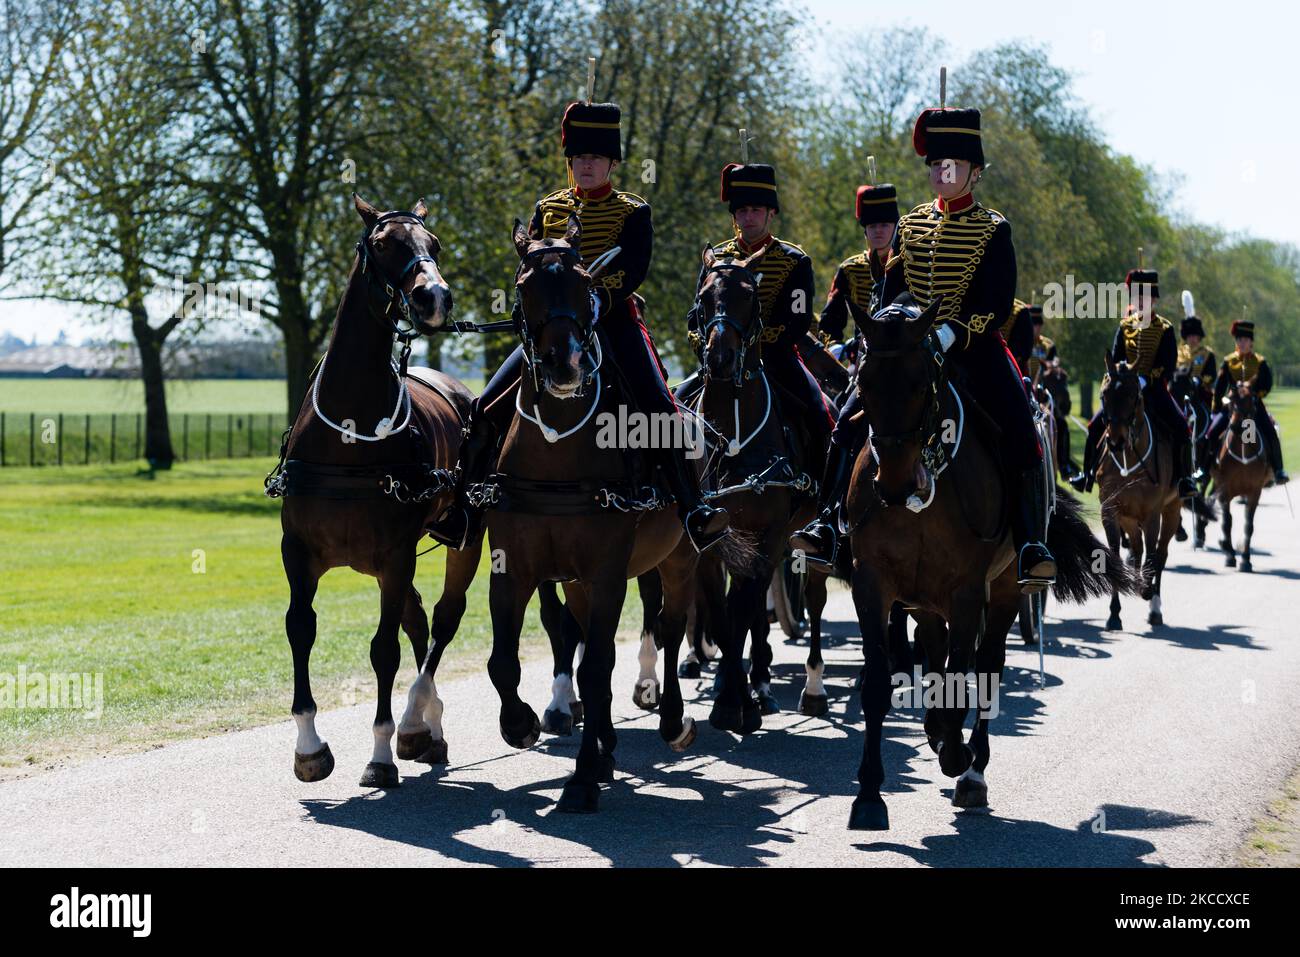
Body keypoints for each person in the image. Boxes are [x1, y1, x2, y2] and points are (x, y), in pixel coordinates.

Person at [426, 101, 729, 551]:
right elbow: (526, 265)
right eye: (580, 158)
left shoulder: (632, 211)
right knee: (485, 407)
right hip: (551, 329)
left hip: (614, 320)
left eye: (596, 158)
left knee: (660, 409)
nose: (587, 165)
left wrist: (594, 299)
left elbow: (633, 268)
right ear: (571, 162)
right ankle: (465, 509)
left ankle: (691, 507)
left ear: (611, 163)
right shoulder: (547, 207)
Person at [861, 106, 1055, 590]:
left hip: (974, 351)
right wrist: (892, 330)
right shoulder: (910, 226)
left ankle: (1031, 544)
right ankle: (830, 523)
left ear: (975, 171)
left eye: (952, 166)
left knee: (1022, 433)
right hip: (910, 352)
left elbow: (996, 299)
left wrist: (953, 333)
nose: (941, 173)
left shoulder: (993, 229)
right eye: (934, 165)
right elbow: (892, 292)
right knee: (848, 420)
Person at [685, 162, 833, 467]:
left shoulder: (794, 261)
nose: (748, 217)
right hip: (719, 359)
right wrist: (707, 346)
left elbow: (799, 319)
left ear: (771, 213)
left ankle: (824, 499)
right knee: (672, 409)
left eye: (756, 210)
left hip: (776, 358)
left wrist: (752, 342)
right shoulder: (716, 260)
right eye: (742, 211)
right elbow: (695, 316)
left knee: (820, 414)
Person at [789, 182, 899, 564]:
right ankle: (826, 520)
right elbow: (832, 321)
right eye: (871, 225)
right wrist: (837, 345)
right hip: (864, 369)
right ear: (864, 229)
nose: (879, 230)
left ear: (897, 225)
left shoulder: (911, 263)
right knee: (842, 430)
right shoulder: (850, 270)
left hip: (906, 366)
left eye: (885, 223)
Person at [1073, 268, 1197, 499]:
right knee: (1093, 426)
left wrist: (1146, 378)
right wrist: (1121, 378)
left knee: (1182, 427)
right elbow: (1117, 356)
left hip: (1154, 390)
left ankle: (1184, 478)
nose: (1141, 301)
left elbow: (1167, 364)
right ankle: (1088, 473)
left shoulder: (1165, 329)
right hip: (1124, 391)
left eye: (1145, 297)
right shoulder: (1124, 327)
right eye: (1137, 297)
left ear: (1155, 299)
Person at [1203, 317, 1288, 485]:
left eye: (1245, 340)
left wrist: (1255, 395)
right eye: (1239, 340)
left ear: (1251, 343)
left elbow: (1267, 384)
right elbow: (1220, 387)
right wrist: (1216, 407)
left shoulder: (1260, 362)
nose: (1242, 343)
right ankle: (1204, 469)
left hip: (1253, 407)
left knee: (1270, 432)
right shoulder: (1229, 361)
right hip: (1232, 407)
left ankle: (1278, 469)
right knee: (1211, 434)